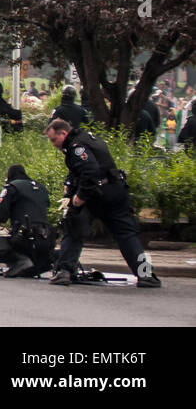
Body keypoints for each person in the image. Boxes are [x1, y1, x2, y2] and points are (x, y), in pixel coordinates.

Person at [44, 119, 161, 288]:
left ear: (64, 133)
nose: (53, 144)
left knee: (74, 228)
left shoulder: (77, 147)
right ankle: (146, 275)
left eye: (54, 139)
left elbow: (90, 171)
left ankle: (64, 271)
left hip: (97, 193)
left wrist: (78, 198)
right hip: (115, 190)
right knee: (127, 235)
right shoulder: (87, 138)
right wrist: (69, 189)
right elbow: (79, 170)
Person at [0, 165, 54, 277]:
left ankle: (18, 261)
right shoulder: (42, 188)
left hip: (23, 238)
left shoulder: (12, 187)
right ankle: (35, 265)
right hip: (45, 239)